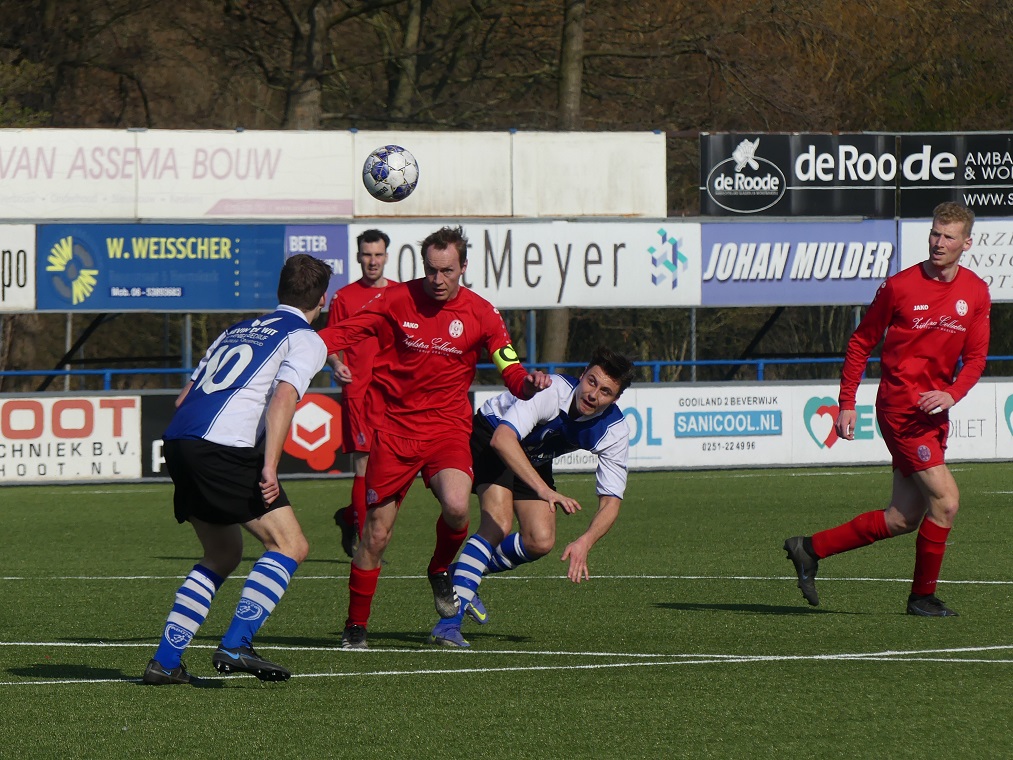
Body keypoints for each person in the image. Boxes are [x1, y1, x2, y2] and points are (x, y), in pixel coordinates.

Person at [317, 225, 550, 650]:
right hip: (395, 431)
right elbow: (346, 332)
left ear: (464, 267)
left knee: (458, 507)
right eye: (431, 270)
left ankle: (439, 568)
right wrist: (303, 343)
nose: (438, 280)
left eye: (447, 271)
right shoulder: (395, 298)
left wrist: (527, 385)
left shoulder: (482, 313)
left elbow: (510, 367)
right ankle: (356, 624)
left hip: (447, 429)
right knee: (376, 534)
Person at [784, 201, 990, 617]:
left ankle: (809, 548)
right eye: (934, 233)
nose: (938, 243)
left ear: (966, 243)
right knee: (947, 501)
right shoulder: (899, 286)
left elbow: (976, 359)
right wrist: (846, 403)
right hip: (900, 410)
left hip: (934, 414)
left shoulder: (976, 292)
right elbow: (861, 343)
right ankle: (922, 598)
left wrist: (952, 394)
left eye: (949, 237)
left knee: (902, 517)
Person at [142, 253, 331, 685]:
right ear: (322, 299)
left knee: (223, 554)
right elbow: (283, 396)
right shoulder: (306, 338)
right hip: (222, 448)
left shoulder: (236, 330)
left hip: (180, 442)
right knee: (291, 545)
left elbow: (183, 397)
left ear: (279, 291)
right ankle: (236, 644)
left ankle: (166, 662)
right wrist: (270, 465)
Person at [429, 346, 635, 648]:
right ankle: (447, 625)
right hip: (492, 433)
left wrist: (585, 541)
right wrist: (543, 489)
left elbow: (611, 502)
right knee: (498, 523)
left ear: (615, 400)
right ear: (582, 375)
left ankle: (463, 576)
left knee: (540, 540)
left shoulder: (614, 431)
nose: (593, 394)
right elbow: (503, 440)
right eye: (592, 382)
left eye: (605, 392)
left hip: (533, 455)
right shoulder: (551, 392)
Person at [326, 229, 397, 558]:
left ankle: (350, 516)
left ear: (386, 256)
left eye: (378, 254)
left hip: (394, 393)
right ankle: (368, 543)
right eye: (367, 254)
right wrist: (336, 364)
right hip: (359, 391)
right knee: (364, 464)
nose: (373, 260)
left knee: (390, 467)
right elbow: (330, 342)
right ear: (358, 257)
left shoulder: (401, 295)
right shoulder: (343, 298)